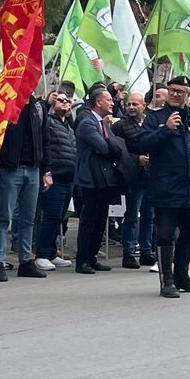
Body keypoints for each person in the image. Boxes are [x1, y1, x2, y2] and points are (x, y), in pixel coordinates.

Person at [138, 75, 190, 298]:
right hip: (166, 187)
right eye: (173, 90)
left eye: (181, 91)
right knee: (165, 234)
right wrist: (166, 129)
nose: (176, 94)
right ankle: (167, 281)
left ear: (188, 94)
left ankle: (183, 277)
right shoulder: (155, 117)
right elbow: (143, 143)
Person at [0, 90, 48, 281]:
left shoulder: (37, 107)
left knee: (28, 218)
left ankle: (25, 261)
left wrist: (46, 170)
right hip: (10, 169)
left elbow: (44, 139)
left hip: (33, 169)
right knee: (3, 218)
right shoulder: (5, 104)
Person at [73, 85, 128, 274]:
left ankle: (92, 256)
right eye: (109, 100)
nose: (112, 103)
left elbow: (117, 146)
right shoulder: (88, 123)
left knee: (100, 219)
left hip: (103, 179)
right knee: (89, 220)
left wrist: (110, 145)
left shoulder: (103, 123)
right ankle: (82, 259)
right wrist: (109, 146)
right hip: (90, 178)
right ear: (98, 102)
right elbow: (105, 148)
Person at [36, 86, 78, 269]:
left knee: (59, 218)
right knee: (51, 217)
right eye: (61, 100)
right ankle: (42, 254)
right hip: (55, 177)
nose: (65, 103)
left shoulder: (68, 125)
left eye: (68, 101)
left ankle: (51, 253)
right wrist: (46, 104)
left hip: (69, 178)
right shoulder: (48, 122)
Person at [114, 90, 153, 270]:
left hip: (151, 177)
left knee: (149, 215)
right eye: (129, 104)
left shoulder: (151, 123)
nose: (131, 107)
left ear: (143, 105)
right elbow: (117, 150)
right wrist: (135, 159)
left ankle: (146, 250)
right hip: (133, 177)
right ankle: (128, 252)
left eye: (135, 104)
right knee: (132, 215)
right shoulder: (121, 126)